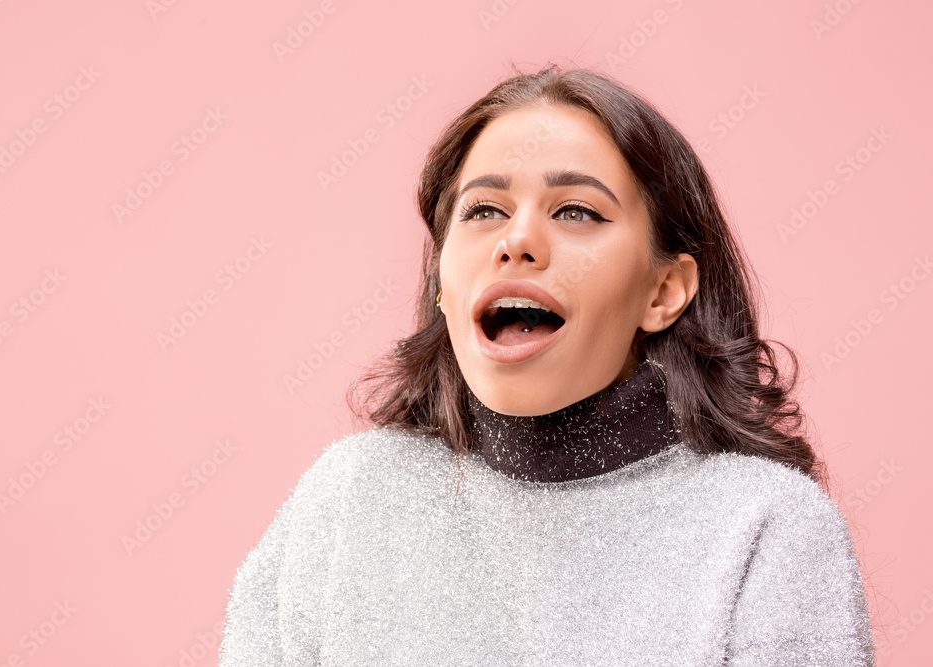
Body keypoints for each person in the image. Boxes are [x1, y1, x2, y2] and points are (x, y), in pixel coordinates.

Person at [218, 64, 875, 665]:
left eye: (576, 211)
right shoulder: (346, 497)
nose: (518, 240)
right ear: (444, 282)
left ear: (663, 290)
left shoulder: (768, 527)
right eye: (483, 211)